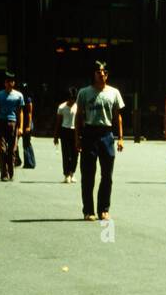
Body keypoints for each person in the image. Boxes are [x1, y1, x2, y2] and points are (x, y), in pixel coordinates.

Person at [75, 61, 126, 221]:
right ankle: (88, 210)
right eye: (98, 72)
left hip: (107, 134)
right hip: (90, 133)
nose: (101, 74)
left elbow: (117, 116)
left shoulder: (114, 93)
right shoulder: (84, 93)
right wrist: (77, 138)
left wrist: (120, 138)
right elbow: (79, 116)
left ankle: (104, 209)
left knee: (107, 175)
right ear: (94, 74)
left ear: (107, 74)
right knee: (88, 174)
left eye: (104, 72)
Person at [0, 72, 25, 182]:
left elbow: (20, 112)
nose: (10, 83)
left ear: (14, 83)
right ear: (4, 83)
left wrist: (21, 127)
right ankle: (3, 174)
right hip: (1, 123)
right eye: (8, 81)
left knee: (12, 150)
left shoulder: (18, 96)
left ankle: (11, 172)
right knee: (2, 150)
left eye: (12, 81)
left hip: (13, 123)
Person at [52, 87, 78, 183]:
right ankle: (66, 174)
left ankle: (72, 173)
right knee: (66, 154)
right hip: (65, 131)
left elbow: (80, 121)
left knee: (75, 154)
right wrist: (56, 136)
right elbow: (58, 123)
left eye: (73, 99)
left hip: (75, 131)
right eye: (70, 98)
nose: (72, 101)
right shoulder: (61, 107)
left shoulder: (78, 107)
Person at [20, 83, 36, 169]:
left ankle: (30, 162)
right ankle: (27, 162)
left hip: (27, 123)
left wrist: (28, 126)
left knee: (26, 143)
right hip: (24, 123)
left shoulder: (28, 100)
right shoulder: (22, 98)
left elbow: (30, 113)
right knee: (26, 143)